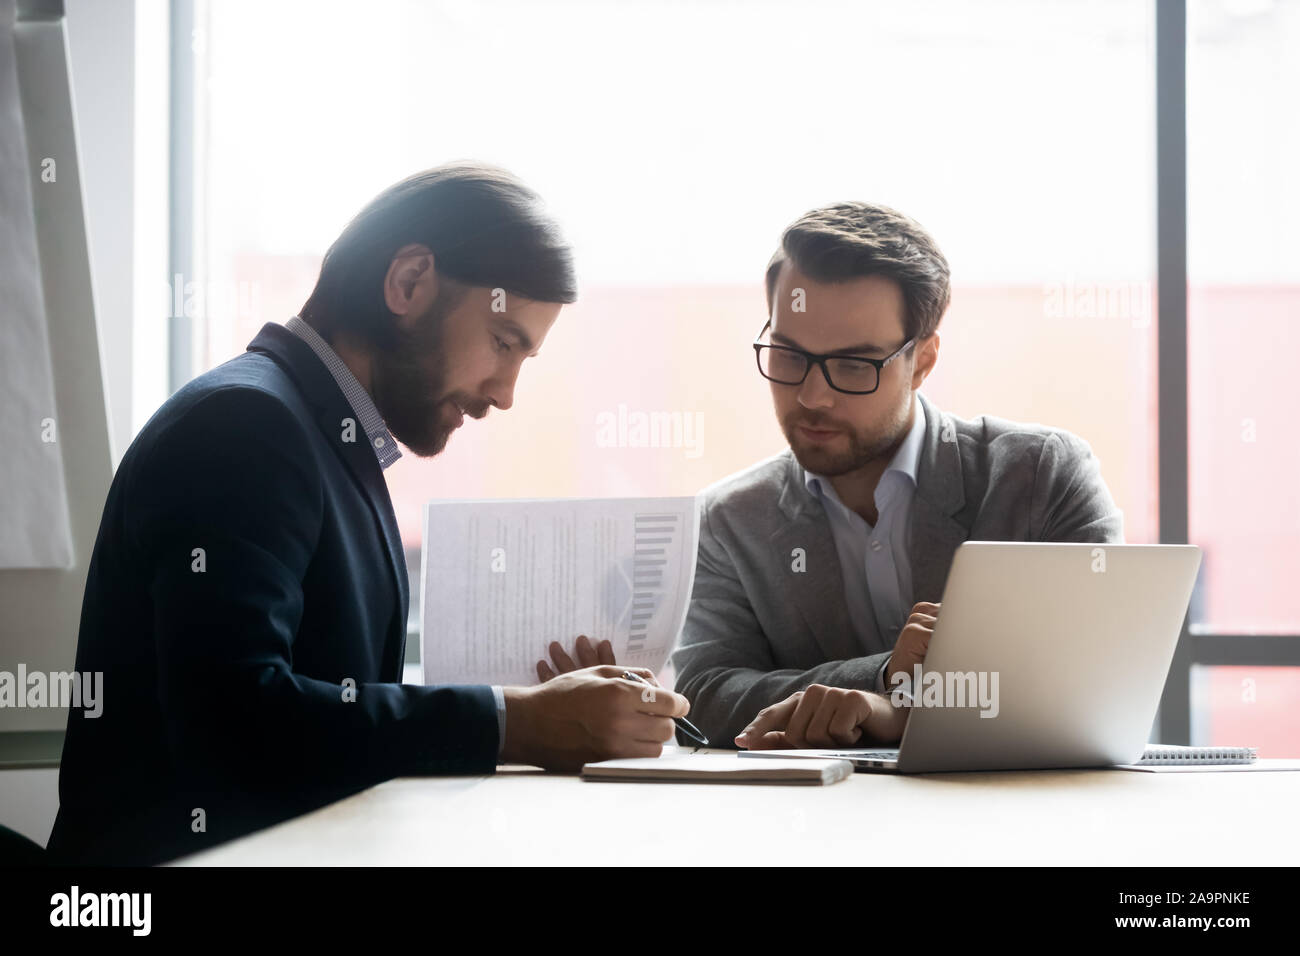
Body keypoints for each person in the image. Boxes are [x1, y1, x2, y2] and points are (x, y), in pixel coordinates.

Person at [46, 162, 688, 866]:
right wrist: (517, 724)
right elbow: (237, 723)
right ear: (408, 282)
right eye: (504, 343)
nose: (505, 394)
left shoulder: (320, 433)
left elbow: (327, 697)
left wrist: (529, 712)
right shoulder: (245, 425)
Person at [671, 201, 1124, 751]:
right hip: (810, 827)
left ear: (924, 361)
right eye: (789, 356)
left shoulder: (1039, 478)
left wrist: (901, 715)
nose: (813, 397)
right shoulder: (727, 521)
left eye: (854, 366)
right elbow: (706, 698)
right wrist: (883, 679)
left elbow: (1098, 684)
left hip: (1013, 817)